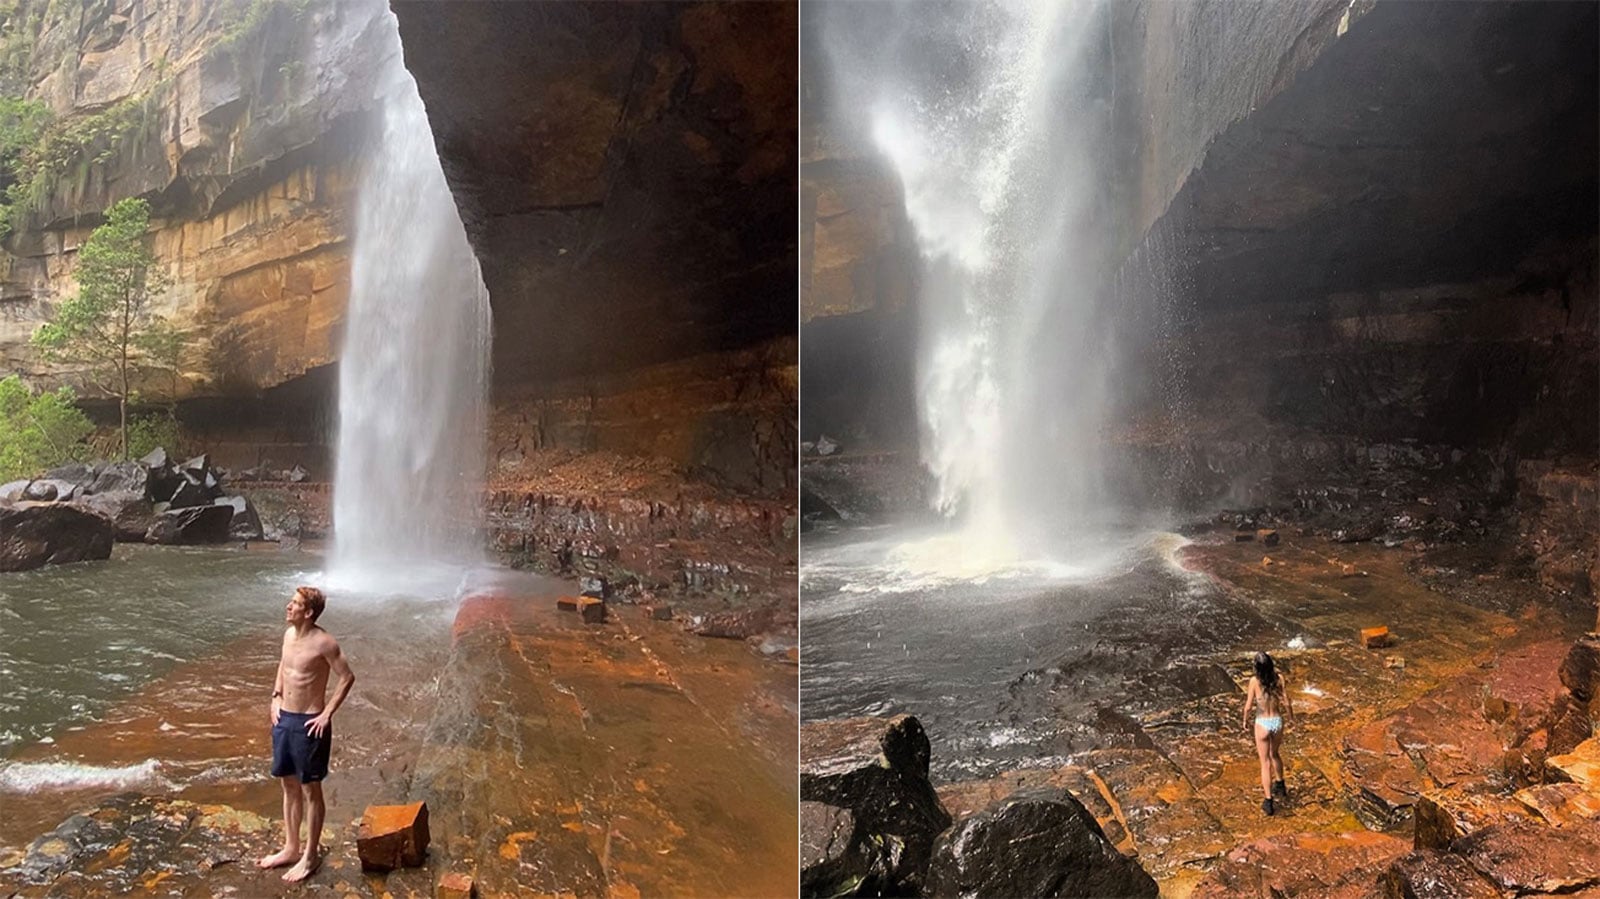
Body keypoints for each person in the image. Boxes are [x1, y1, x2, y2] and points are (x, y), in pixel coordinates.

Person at [257, 586, 355, 883]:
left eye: (296, 604)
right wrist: (275, 696)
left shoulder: (324, 642)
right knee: (288, 784)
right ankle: (291, 847)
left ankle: (310, 856)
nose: (289, 606)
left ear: (308, 612)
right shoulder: (288, 636)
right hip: (284, 717)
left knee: (310, 788)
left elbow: (347, 677)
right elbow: (284, 665)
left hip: (310, 723)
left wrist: (326, 714)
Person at [1241, 651, 1292, 816]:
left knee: (1265, 763)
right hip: (1276, 721)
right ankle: (1280, 784)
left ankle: (1269, 801)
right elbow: (1286, 701)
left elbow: (1248, 706)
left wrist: (1245, 720)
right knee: (1275, 754)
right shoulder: (1279, 678)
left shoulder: (1254, 682)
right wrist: (1291, 718)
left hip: (1262, 723)